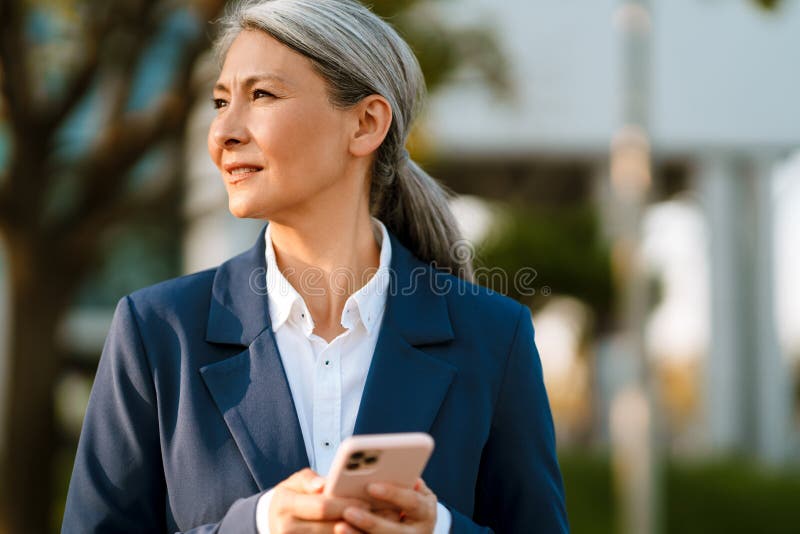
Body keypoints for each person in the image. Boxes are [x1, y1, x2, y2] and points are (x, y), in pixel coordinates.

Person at [61, 0, 569, 532]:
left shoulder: (493, 337)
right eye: (219, 101)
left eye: (260, 95)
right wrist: (255, 525)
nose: (223, 133)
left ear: (366, 124)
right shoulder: (157, 332)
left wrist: (440, 529)